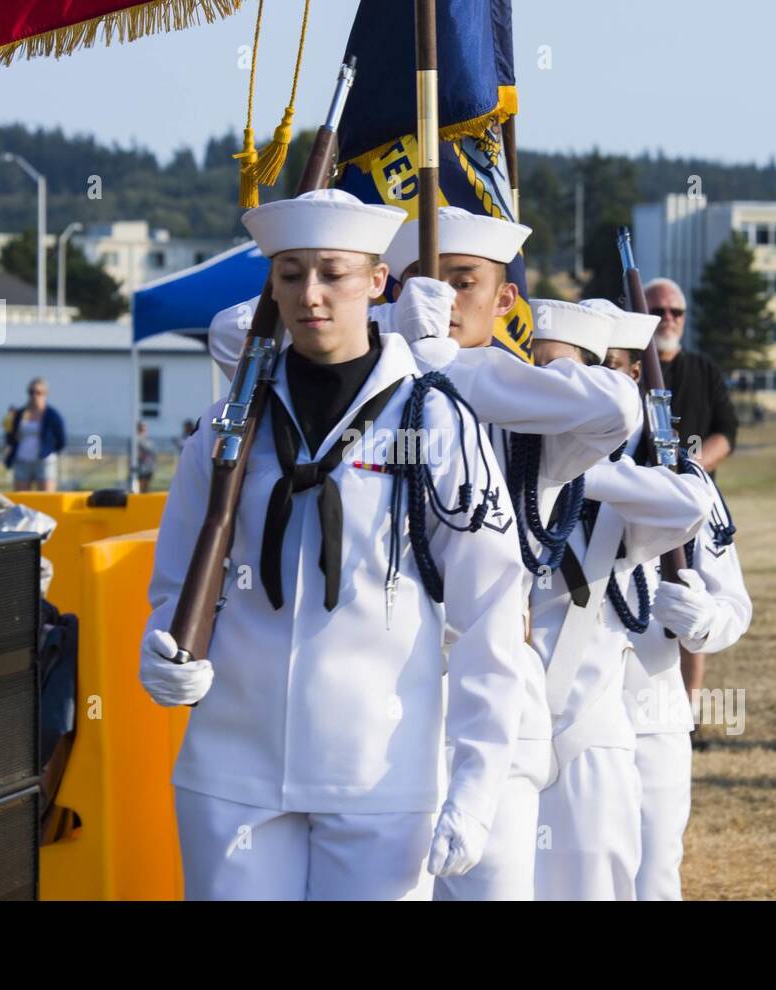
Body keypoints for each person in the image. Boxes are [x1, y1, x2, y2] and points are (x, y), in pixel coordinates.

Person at [206, 206, 644, 901]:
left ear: (505, 300)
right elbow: (233, 332)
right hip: (371, 716)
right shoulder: (379, 379)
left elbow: (619, 409)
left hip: (483, 693)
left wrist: (454, 367)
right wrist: (380, 326)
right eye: (415, 279)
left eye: (461, 281)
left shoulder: (525, 399)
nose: (437, 295)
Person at [140, 188, 529, 901]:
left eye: (333, 273)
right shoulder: (230, 423)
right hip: (234, 766)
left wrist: (476, 781)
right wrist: (163, 645)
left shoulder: (434, 421)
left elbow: (493, 616)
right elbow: (175, 576)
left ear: (379, 282)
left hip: (379, 770)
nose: (310, 295)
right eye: (290, 274)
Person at [529, 299, 712, 901]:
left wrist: (706, 621)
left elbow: (691, 514)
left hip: (624, 710)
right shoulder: (496, 464)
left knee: (639, 874)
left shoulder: (662, 477)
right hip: (513, 716)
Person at [608, 333, 752, 901]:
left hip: (651, 708)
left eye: (613, 370)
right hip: (552, 713)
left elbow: (733, 606)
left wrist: (702, 619)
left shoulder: (686, 478)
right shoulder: (525, 464)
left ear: (639, 380)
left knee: (652, 875)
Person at [643, 276, 741, 749]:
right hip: (636, 508)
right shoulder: (628, 367)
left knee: (693, 603)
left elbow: (726, 432)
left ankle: (689, 709)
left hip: (692, 512)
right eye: (657, 310)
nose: (667, 319)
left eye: (675, 312)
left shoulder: (703, 370)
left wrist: (691, 468)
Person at [4, 377, 66, 492]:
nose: (34, 396)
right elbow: (10, 437)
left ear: (45, 393)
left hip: (44, 461)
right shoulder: (20, 413)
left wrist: (49, 450)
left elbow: (61, 440)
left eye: (38, 392)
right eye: (31, 392)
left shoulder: (52, 415)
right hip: (22, 460)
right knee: (22, 501)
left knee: (46, 499)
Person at [136, 420, 156, 493]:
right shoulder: (136, 440)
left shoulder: (147, 441)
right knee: (140, 487)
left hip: (148, 467)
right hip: (140, 467)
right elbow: (137, 453)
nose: (143, 430)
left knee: (146, 488)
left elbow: (152, 454)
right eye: (141, 429)